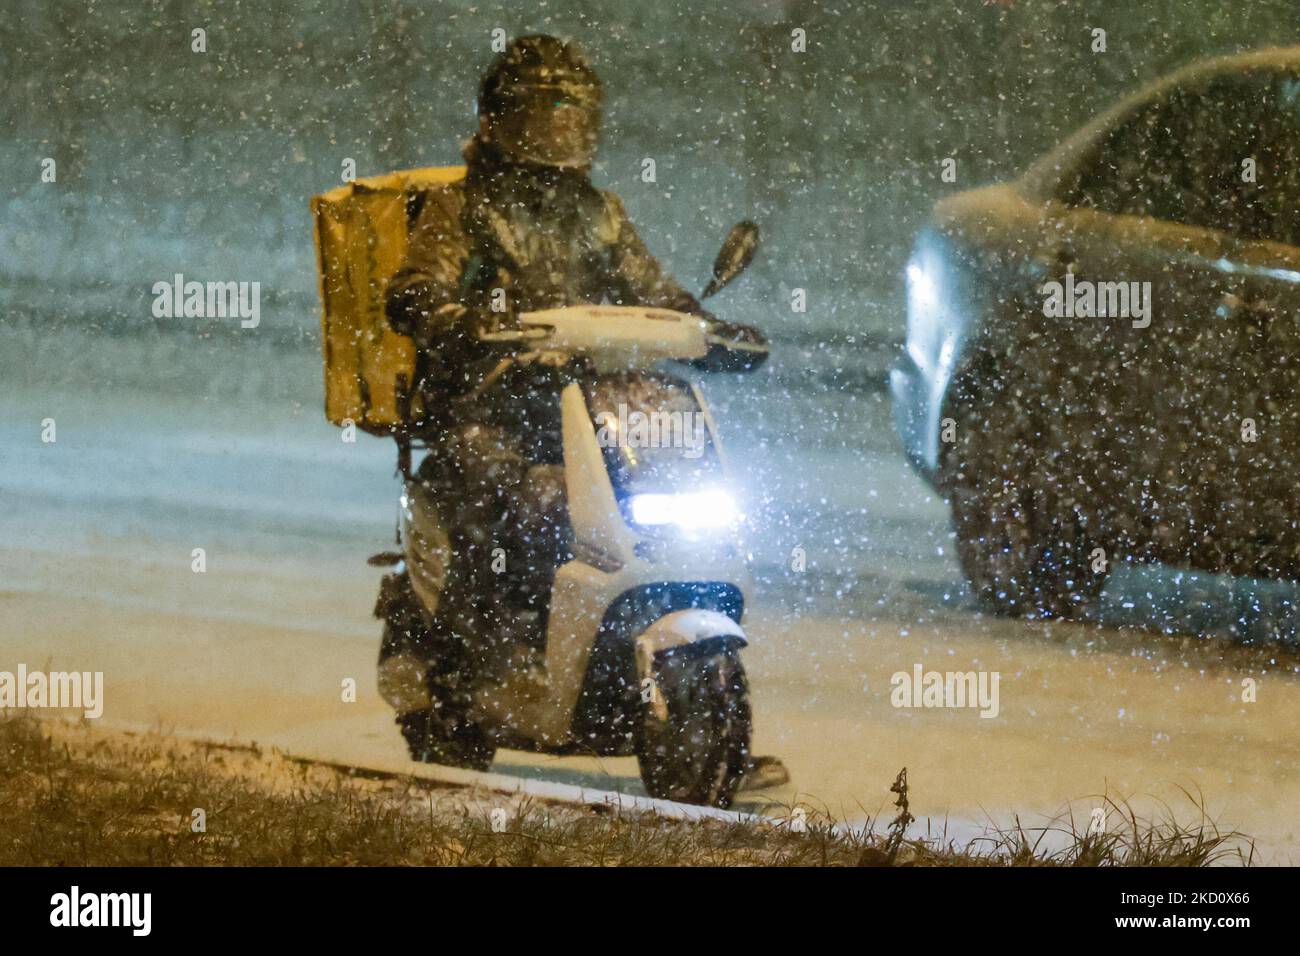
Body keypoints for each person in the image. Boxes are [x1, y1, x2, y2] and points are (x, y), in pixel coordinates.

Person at [380, 34, 785, 790]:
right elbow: (413, 283)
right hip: (492, 406)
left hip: (587, 406)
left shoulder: (599, 212)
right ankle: (478, 673)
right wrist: (447, 314)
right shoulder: (462, 207)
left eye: (569, 115)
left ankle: (683, 711)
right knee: (529, 500)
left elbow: (653, 289)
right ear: (500, 120)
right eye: (541, 114)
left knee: (645, 510)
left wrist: (707, 329)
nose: (557, 131)